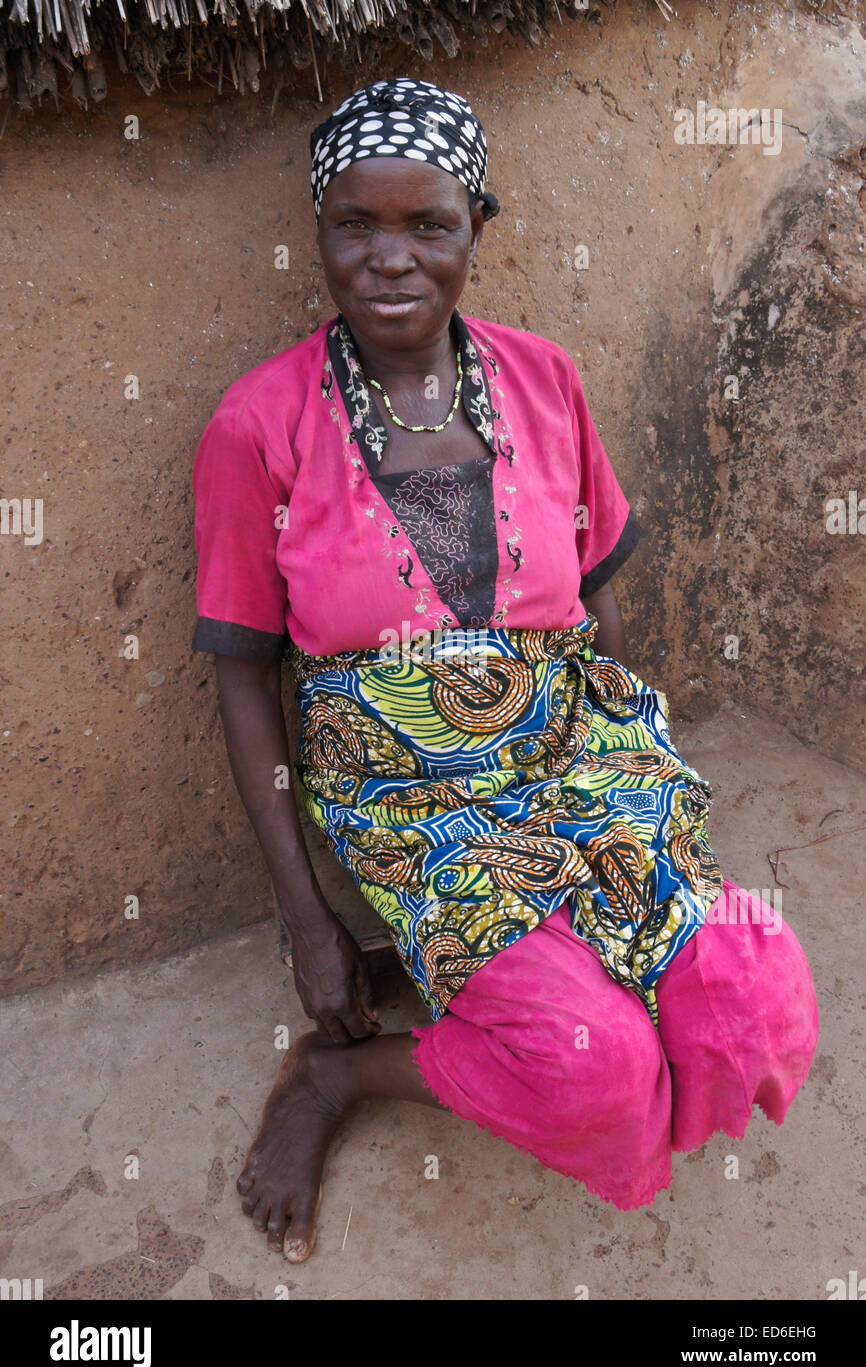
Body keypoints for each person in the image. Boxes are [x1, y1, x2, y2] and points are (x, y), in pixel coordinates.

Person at [191, 78, 818, 1263]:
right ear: (318, 233)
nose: (389, 259)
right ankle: (343, 1077)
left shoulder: (542, 379)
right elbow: (241, 681)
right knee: (594, 1066)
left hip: (577, 754)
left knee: (756, 1004)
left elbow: (598, 594)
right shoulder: (259, 425)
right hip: (410, 800)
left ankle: (579, 963)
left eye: (427, 225)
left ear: (476, 226)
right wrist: (308, 921)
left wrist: (623, 793)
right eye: (353, 225)